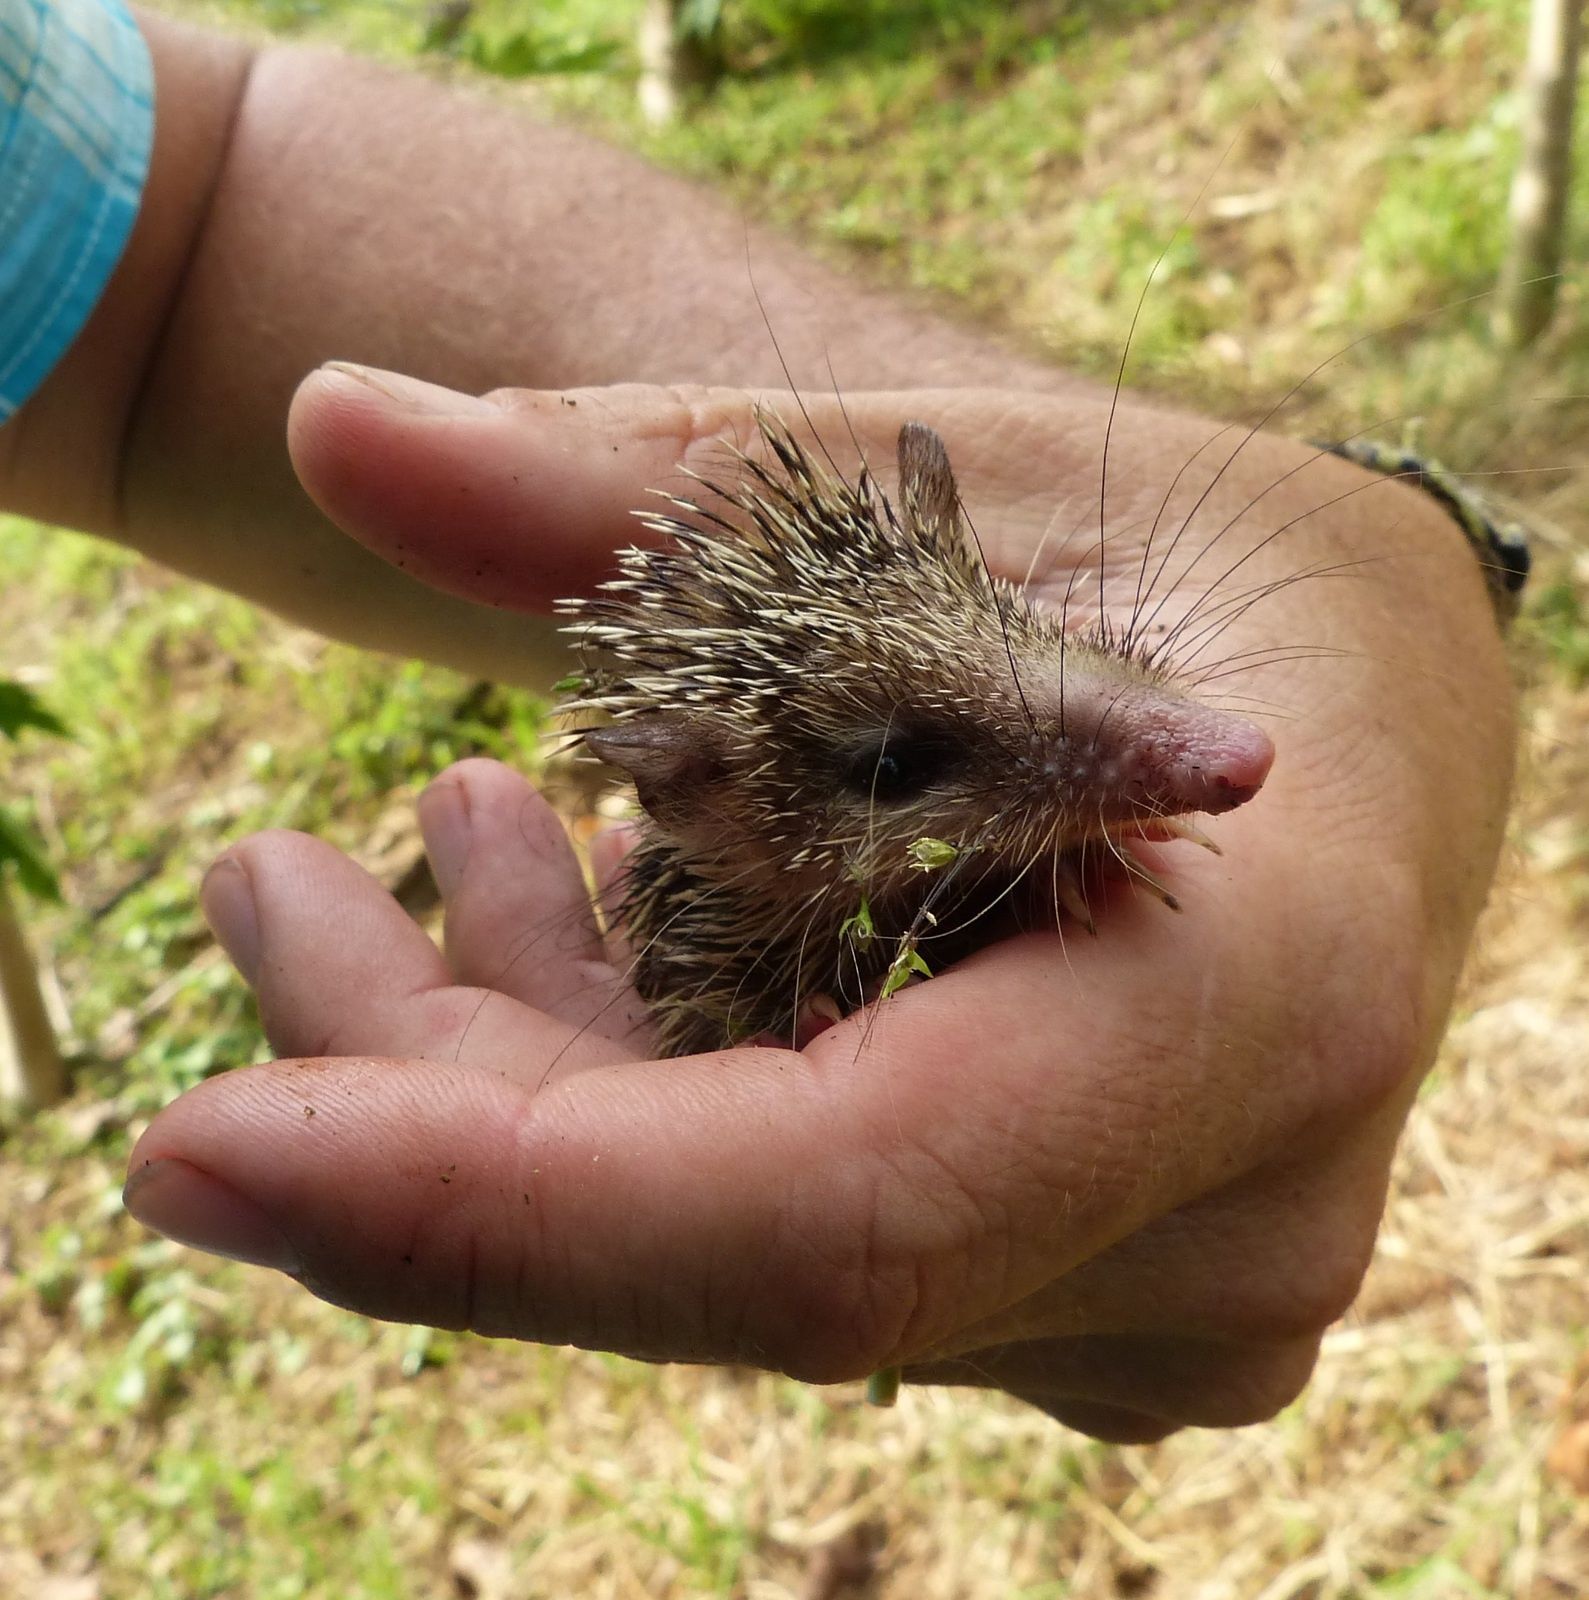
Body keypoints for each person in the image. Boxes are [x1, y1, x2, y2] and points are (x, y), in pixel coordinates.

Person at [2, 0, 1516, 1440]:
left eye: (1032, 629)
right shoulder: (737, 914)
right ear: (705, 807)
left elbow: (170, 217)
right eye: (895, 763)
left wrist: (1381, 547)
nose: (1212, 754)